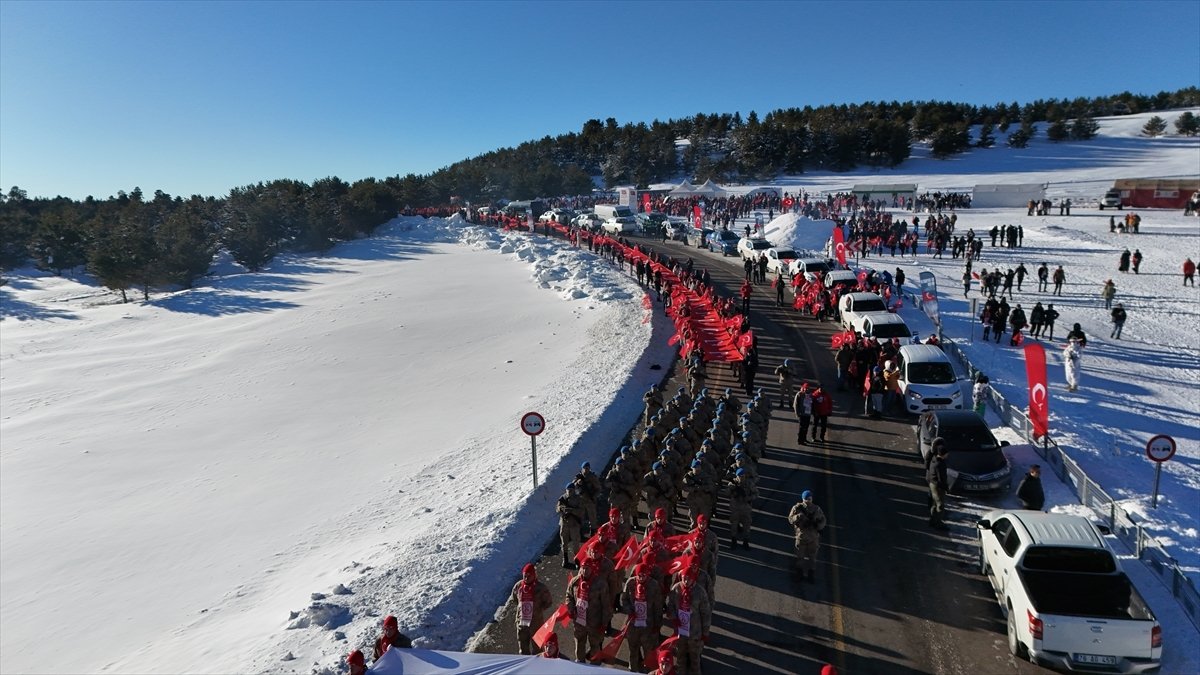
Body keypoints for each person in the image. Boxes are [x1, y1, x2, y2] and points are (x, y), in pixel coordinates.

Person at [621, 563, 664, 672]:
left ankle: (648, 671)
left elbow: (658, 607)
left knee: (649, 653)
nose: (641, 578)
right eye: (639, 575)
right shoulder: (630, 583)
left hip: (648, 626)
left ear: (648, 574)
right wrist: (629, 611)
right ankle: (633, 670)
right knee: (633, 651)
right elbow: (624, 599)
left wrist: (657, 625)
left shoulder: (654, 586)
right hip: (633, 625)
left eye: (643, 575)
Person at [665, 571, 711, 675]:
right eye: (684, 578)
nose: (686, 581)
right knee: (680, 658)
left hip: (695, 632)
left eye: (689, 579)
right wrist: (674, 618)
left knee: (695, 659)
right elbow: (670, 605)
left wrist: (705, 633)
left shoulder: (700, 592)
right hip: (680, 632)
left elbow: (706, 614)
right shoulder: (676, 589)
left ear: (693, 579)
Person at [512, 563, 553, 655]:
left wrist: (537, 610)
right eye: (524, 576)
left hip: (536, 623)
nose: (526, 578)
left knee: (538, 650)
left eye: (529, 576)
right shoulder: (518, 586)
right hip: (522, 623)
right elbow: (514, 599)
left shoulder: (541, 588)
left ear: (534, 575)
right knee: (523, 650)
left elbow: (548, 602)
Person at [788, 490, 827, 581]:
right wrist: (798, 517)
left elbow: (823, 521)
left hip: (812, 537)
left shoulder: (816, 509)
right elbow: (790, 519)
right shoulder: (797, 508)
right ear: (803, 499)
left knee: (811, 558)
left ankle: (810, 575)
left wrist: (818, 526)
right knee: (801, 557)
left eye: (809, 498)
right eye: (807, 499)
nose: (808, 500)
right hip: (802, 536)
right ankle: (800, 574)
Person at [557, 482, 585, 568]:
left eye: (571, 490)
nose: (569, 492)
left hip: (574, 524)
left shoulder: (578, 499)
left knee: (576, 543)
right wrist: (562, 509)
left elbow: (582, 512)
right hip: (564, 524)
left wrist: (572, 511)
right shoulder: (562, 498)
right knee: (564, 542)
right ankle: (565, 559)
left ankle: (577, 559)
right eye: (568, 490)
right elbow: (557, 509)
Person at [927, 440, 950, 530]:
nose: (948, 455)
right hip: (938, 486)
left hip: (933, 484)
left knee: (934, 503)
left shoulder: (934, 459)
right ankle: (938, 523)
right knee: (940, 505)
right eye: (946, 454)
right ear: (942, 454)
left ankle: (932, 520)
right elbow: (941, 479)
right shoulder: (939, 464)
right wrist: (946, 488)